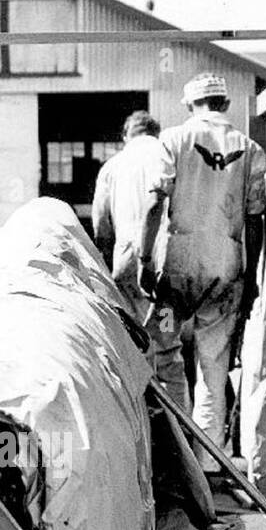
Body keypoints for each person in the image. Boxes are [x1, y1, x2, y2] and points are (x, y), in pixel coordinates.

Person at [138, 72, 266, 475]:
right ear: (225, 104)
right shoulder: (249, 149)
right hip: (225, 269)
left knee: (163, 350)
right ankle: (209, 464)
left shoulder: (172, 141)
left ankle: (175, 455)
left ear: (189, 104)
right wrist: (251, 278)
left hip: (177, 270)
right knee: (214, 365)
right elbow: (256, 219)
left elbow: (155, 204)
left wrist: (145, 261)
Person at [91, 110, 189, 410]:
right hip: (165, 272)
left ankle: (145, 428)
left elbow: (101, 226)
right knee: (167, 348)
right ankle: (180, 435)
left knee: (135, 348)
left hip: (127, 270)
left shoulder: (112, 167)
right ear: (155, 132)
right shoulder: (166, 155)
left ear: (125, 135)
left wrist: (108, 264)